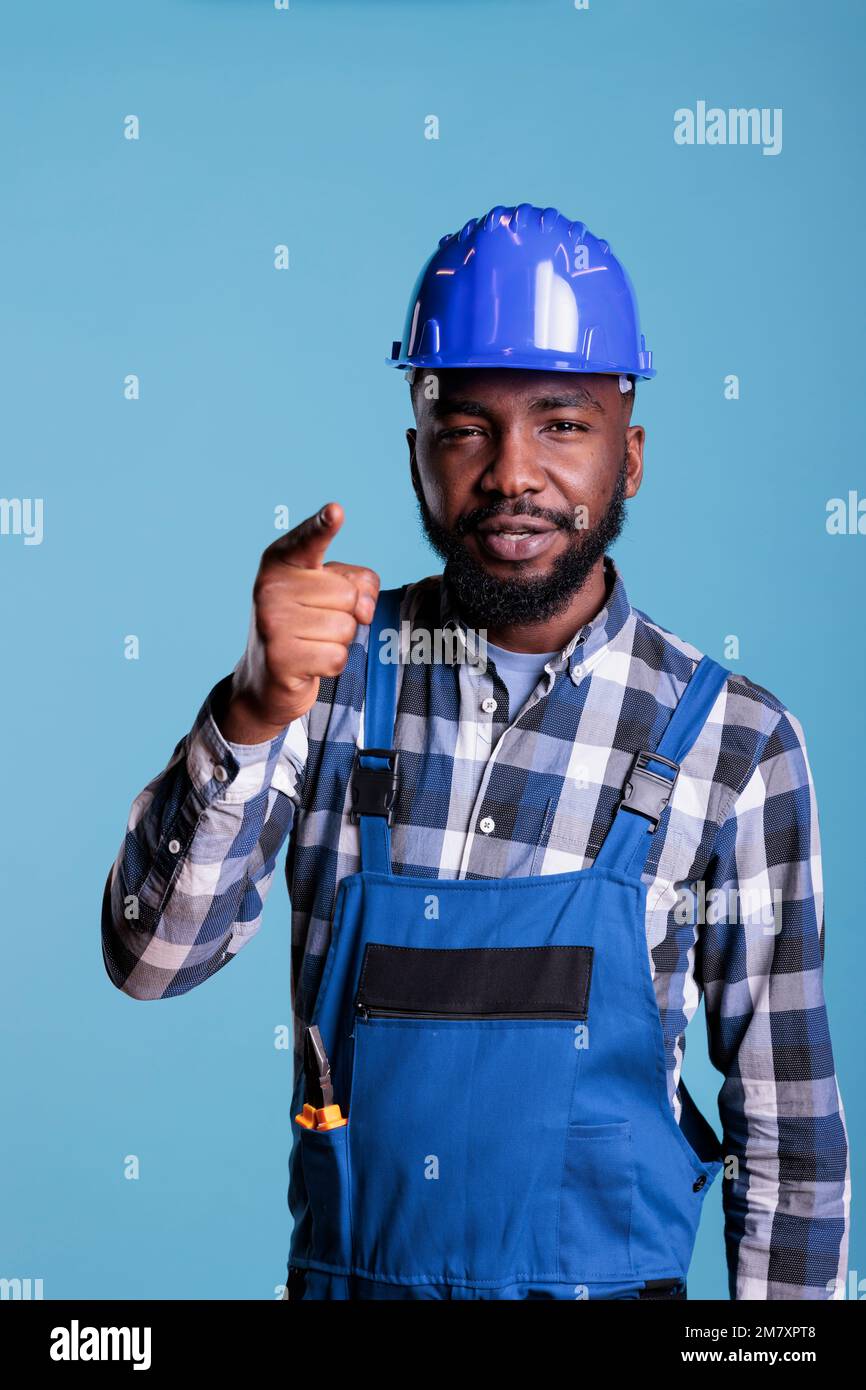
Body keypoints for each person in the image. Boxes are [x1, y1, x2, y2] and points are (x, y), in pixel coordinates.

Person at [102, 203, 850, 1301]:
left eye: (560, 424)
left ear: (627, 456)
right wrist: (252, 712)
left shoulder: (735, 745)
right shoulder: (323, 684)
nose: (511, 473)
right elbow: (150, 961)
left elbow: (789, 1144)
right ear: (417, 456)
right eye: (466, 428)